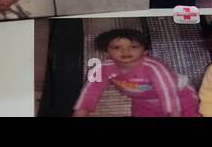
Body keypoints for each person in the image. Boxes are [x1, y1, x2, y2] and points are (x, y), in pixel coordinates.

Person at [72, 29, 200, 117]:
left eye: (133, 47)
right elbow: (90, 91)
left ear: (145, 51)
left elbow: (168, 92)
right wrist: (80, 111)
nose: (125, 51)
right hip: (143, 101)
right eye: (117, 47)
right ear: (106, 52)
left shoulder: (154, 67)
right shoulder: (102, 69)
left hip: (180, 95)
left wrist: (174, 114)